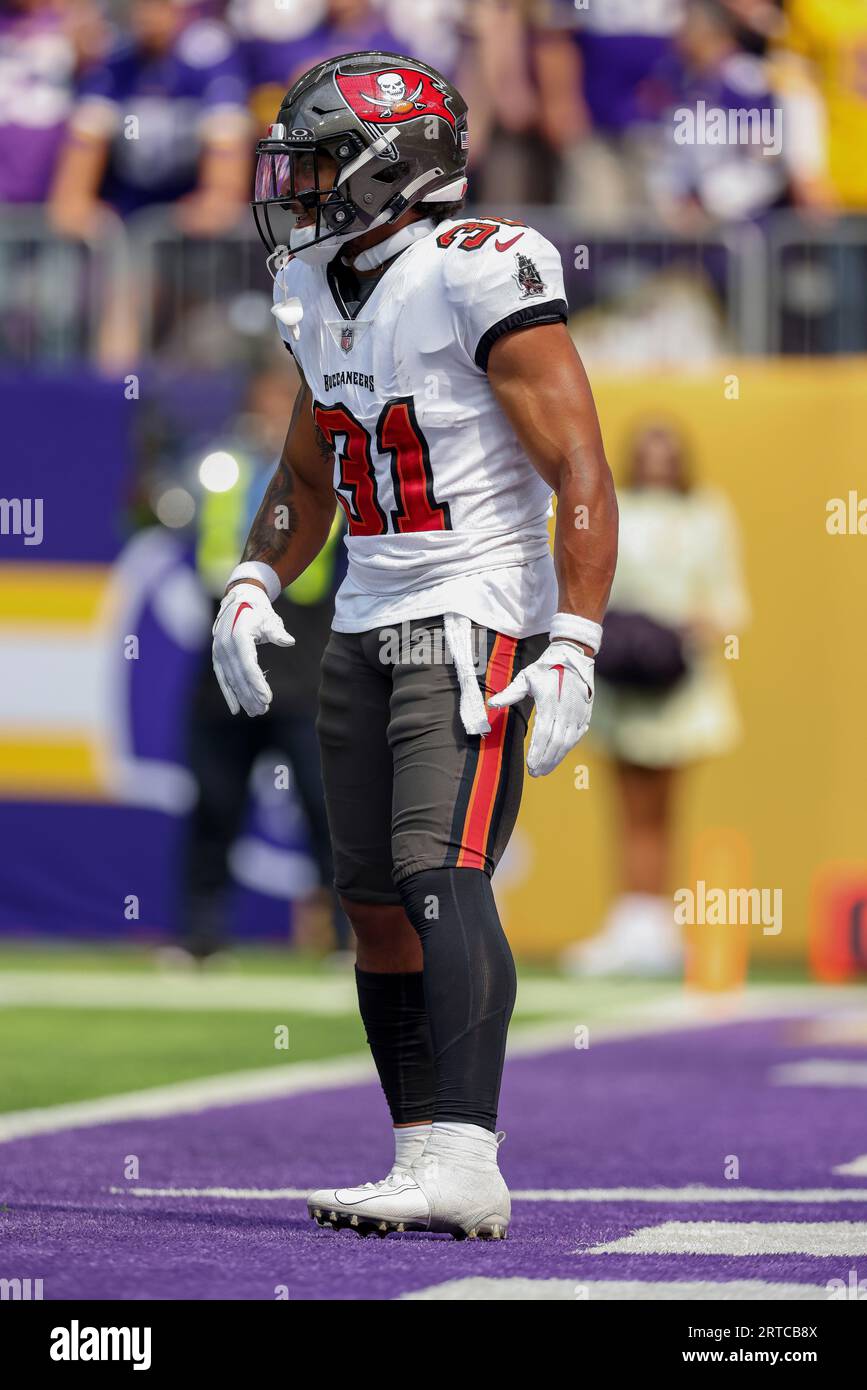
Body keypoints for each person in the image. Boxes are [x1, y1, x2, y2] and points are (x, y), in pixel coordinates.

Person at [211, 52, 618, 1240]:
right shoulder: (312, 284)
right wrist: (253, 572)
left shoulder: (477, 270)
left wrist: (576, 633)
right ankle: (418, 1155)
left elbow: (579, 466)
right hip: (367, 613)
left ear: (396, 165)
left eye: (324, 158)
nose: (301, 182)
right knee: (375, 901)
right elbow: (310, 464)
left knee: (441, 871)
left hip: (474, 608)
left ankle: (468, 1157)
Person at [564, 423, 749, 977]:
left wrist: (676, 635)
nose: (658, 463)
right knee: (628, 804)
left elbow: (727, 598)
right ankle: (631, 922)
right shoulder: (615, 508)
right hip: (624, 679)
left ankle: (657, 924)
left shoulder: (707, 513)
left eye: (667, 452)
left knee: (663, 805)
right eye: (648, 452)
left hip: (676, 683)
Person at [180, 367, 349, 963]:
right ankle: (201, 935)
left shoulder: (331, 478)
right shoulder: (222, 472)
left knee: (326, 808)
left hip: (302, 667)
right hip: (224, 667)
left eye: (284, 406)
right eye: (263, 404)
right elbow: (173, 516)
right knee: (214, 802)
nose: (271, 418)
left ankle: (345, 939)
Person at [48, 0, 250, 237]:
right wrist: (75, 198)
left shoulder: (210, 61)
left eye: (158, 5)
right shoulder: (114, 66)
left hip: (186, 208)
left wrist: (219, 194)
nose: (148, 15)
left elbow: (227, 144)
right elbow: (84, 143)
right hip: (129, 209)